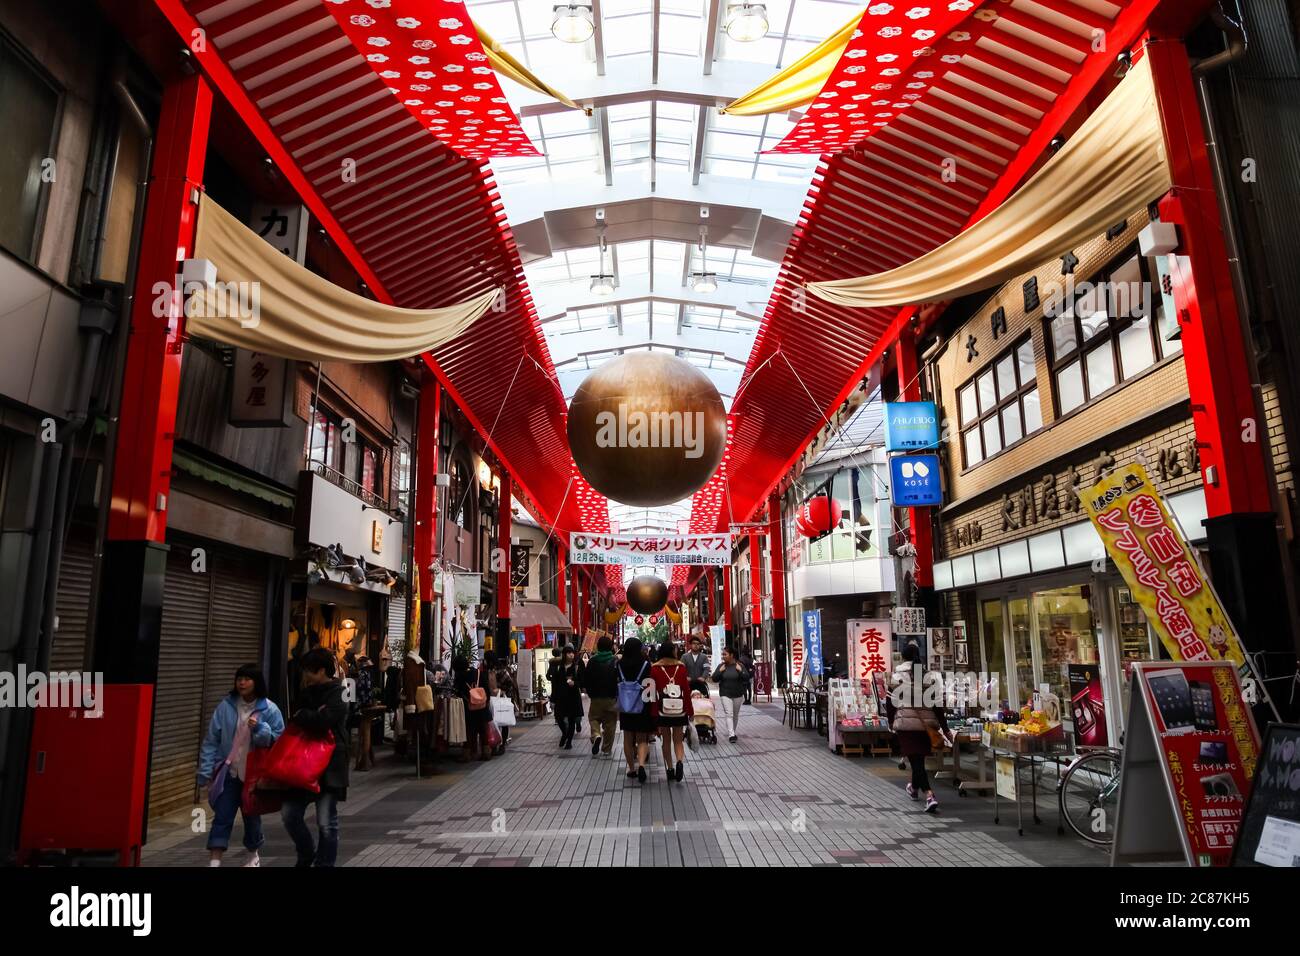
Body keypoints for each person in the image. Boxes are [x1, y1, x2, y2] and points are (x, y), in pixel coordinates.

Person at [197, 664, 284, 868]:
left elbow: (277, 741)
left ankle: (253, 853)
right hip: (229, 772)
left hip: (254, 775)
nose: (242, 683)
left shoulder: (269, 709)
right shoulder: (226, 707)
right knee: (222, 816)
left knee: (251, 817)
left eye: (247, 679)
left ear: (257, 683)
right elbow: (212, 740)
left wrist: (261, 730)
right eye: (239, 679)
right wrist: (205, 771)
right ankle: (215, 860)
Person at [281, 648, 350, 867]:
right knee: (289, 814)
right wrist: (308, 715)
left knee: (326, 821)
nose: (305, 676)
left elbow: (323, 721)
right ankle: (306, 853)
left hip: (330, 765)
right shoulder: (306, 693)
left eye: (309, 671)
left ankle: (324, 863)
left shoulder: (341, 692)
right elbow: (297, 717)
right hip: (302, 762)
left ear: (321, 671)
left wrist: (305, 715)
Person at [885, 641, 951, 814]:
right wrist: (945, 729)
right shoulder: (929, 676)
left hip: (906, 725)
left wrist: (891, 721)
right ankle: (913, 788)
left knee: (916, 761)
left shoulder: (897, 676)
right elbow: (937, 705)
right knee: (918, 759)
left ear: (903, 657)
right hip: (925, 724)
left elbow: (890, 702)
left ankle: (930, 795)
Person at [651, 642, 693, 783]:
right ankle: (679, 761)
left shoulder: (654, 668)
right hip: (679, 710)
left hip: (663, 710)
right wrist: (690, 710)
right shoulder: (681, 667)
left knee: (666, 741)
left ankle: (670, 769)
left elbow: (651, 693)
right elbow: (686, 691)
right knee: (678, 740)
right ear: (673, 651)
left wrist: (653, 712)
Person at [617, 637, 653, 782]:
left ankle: (631, 769)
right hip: (642, 704)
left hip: (626, 705)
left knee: (627, 737)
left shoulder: (619, 664)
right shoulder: (645, 664)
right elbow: (651, 684)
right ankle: (642, 765)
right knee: (642, 737)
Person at [453, 653, 496, 761]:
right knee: (483, 730)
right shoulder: (478, 673)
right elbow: (486, 689)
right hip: (482, 706)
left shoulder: (460, 676)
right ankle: (486, 752)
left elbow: (457, 691)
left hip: (469, 708)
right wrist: (485, 702)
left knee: (469, 731)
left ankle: (467, 754)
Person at [583, 636, 619, 757]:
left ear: (598, 646)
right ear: (611, 647)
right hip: (611, 698)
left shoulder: (593, 660)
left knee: (594, 718)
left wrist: (590, 692)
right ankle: (606, 749)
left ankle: (596, 735)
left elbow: (586, 678)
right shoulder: (615, 661)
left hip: (596, 697)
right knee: (610, 724)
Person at [711, 646, 749, 743]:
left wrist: (740, 671)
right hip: (725, 693)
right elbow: (714, 678)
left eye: (725, 654)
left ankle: (733, 731)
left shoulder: (739, 665)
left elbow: (746, 678)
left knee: (735, 715)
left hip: (738, 694)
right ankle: (731, 734)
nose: (723, 656)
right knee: (729, 713)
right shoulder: (721, 666)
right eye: (722, 654)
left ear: (731, 655)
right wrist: (720, 671)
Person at [550, 645, 584, 750]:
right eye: (569, 653)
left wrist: (575, 683)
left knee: (572, 719)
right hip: (561, 697)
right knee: (559, 717)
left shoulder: (577, 666)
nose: (571, 654)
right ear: (564, 654)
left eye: (572, 653)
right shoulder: (558, 666)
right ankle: (564, 734)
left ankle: (569, 741)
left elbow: (582, 680)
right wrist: (553, 698)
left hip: (573, 697)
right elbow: (554, 683)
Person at [485, 650, 517, 755]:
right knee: (494, 722)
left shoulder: (501, 670)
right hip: (492, 699)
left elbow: (510, 683)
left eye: (486, 659)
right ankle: (495, 745)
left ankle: (502, 746)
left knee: (503, 721)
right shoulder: (489, 670)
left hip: (501, 698)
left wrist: (501, 690)